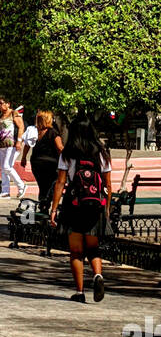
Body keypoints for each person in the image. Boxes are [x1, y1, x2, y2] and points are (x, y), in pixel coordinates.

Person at [50, 114, 112, 303]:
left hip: (73, 206)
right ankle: (98, 276)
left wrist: (54, 209)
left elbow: (61, 182)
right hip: (95, 207)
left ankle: (79, 291)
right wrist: (106, 210)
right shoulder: (101, 153)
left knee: (76, 251)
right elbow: (108, 186)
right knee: (93, 248)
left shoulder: (68, 154)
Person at [21, 110, 64, 212]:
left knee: (42, 185)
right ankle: (45, 203)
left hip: (36, 162)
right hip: (51, 163)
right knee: (53, 184)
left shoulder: (34, 131)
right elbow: (59, 147)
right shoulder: (53, 132)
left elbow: (27, 145)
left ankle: (43, 204)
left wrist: (23, 157)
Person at [0, 94, 26, 201]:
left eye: (2, 103)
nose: (0, 105)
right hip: (1, 144)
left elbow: (21, 127)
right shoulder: (0, 115)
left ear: (8, 104)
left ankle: (21, 185)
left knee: (7, 166)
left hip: (12, 144)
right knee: (3, 168)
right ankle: (5, 192)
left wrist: (19, 141)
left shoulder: (13, 113)